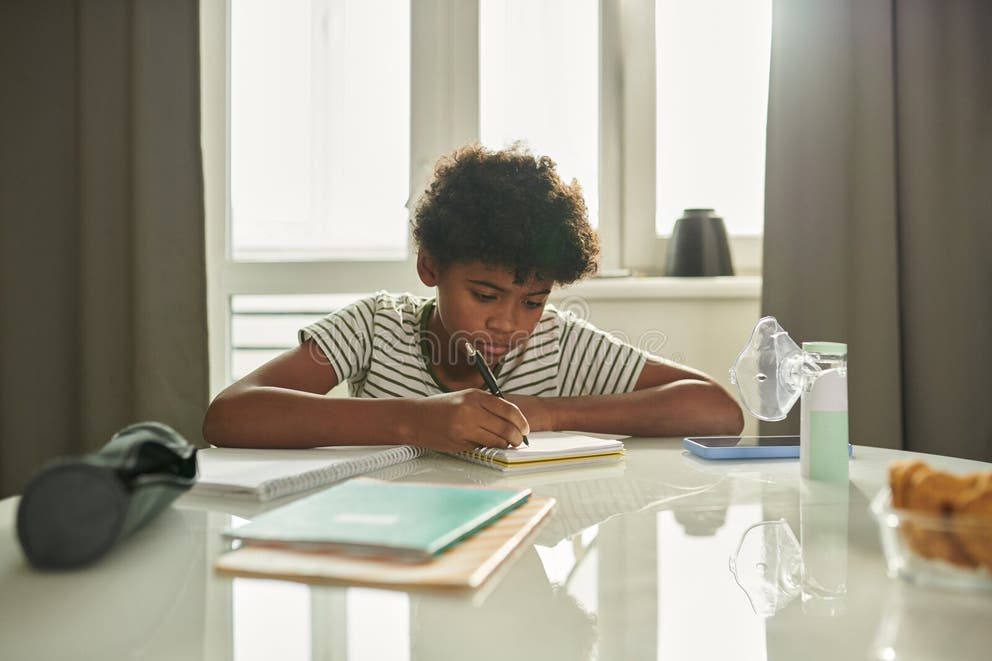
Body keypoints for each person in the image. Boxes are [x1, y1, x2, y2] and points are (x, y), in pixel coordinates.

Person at [202, 143, 744, 451]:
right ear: (429, 266)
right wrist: (416, 421)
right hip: (393, 555)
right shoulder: (374, 328)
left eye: (532, 300)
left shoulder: (555, 344)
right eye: (486, 294)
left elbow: (719, 411)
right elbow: (228, 416)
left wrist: (547, 413)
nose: (509, 324)